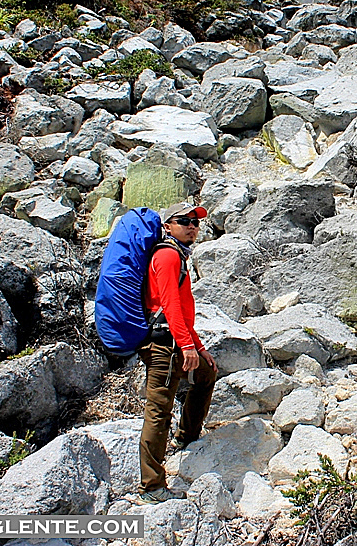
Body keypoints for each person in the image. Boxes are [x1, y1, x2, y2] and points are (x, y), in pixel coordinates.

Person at [136, 202, 218, 504]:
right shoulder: (168, 256)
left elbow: (183, 309)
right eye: (184, 221)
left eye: (195, 223)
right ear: (167, 226)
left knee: (206, 374)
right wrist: (185, 345)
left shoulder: (177, 255)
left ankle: (187, 436)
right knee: (158, 409)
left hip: (177, 340)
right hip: (164, 346)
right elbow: (169, 304)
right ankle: (152, 485)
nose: (192, 226)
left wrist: (198, 346)